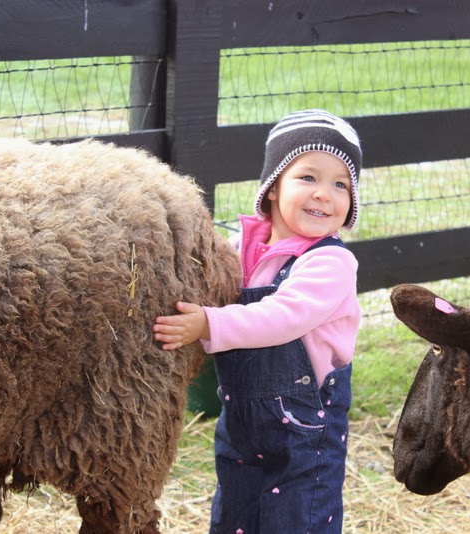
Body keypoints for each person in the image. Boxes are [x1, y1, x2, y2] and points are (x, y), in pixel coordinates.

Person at [153, 109, 362, 534]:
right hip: (242, 425)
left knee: (296, 522)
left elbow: (284, 317)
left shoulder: (331, 262)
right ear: (272, 187)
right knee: (235, 515)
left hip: (305, 431)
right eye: (308, 178)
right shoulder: (238, 250)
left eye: (340, 184)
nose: (325, 194)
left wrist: (210, 324)